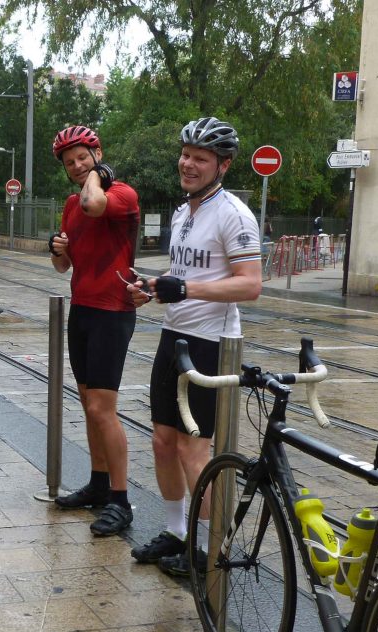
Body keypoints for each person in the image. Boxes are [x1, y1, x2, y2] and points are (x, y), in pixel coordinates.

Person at [128, 116, 263, 575]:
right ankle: (176, 532)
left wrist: (184, 290)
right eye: (185, 154)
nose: (188, 163)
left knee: (194, 449)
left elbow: (250, 286)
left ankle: (210, 549)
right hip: (175, 335)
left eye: (200, 158)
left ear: (222, 166)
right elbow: (184, 277)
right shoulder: (183, 212)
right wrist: (152, 289)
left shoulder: (235, 215)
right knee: (163, 441)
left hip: (213, 344)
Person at [47, 125, 141, 537]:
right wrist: (59, 251)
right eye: (69, 163)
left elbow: (94, 204)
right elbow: (64, 267)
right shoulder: (71, 203)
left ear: (98, 153)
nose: (76, 166)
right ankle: (99, 484)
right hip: (82, 309)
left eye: (83, 157)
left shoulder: (121, 194)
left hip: (112, 311)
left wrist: (96, 175)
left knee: (104, 408)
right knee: (88, 404)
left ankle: (120, 500)